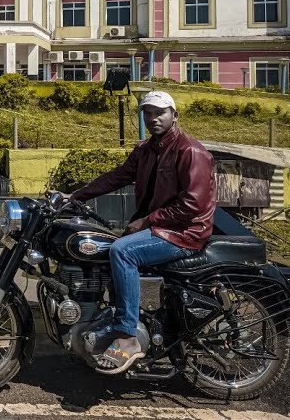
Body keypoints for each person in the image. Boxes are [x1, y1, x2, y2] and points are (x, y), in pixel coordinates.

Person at [66, 90, 216, 374]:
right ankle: (112, 319)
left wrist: (148, 220)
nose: (153, 118)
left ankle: (128, 336)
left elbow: (193, 204)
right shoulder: (147, 150)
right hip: (161, 227)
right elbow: (117, 177)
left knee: (122, 251)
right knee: (101, 247)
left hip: (184, 232)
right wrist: (75, 196)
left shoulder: (190, 152)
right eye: (148, 113)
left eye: (160, 112)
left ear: (174, 115)